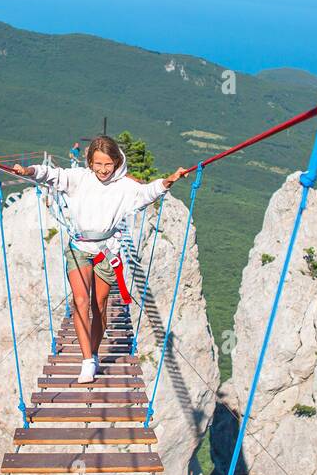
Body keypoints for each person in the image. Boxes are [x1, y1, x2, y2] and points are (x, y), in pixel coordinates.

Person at [12, 137, 191, 383]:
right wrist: (28, 170)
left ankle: (94, 354)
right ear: (90, 162)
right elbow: (50, 174)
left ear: (117, 162)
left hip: (107, 249)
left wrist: (169, 180)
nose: (103, 170)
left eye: (108, 164)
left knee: (100, 304)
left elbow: (148, 192)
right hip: (79, 247)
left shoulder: (125, 187)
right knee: (81, 301)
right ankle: (87, 361)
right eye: (98, 164)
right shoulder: (79, 178)